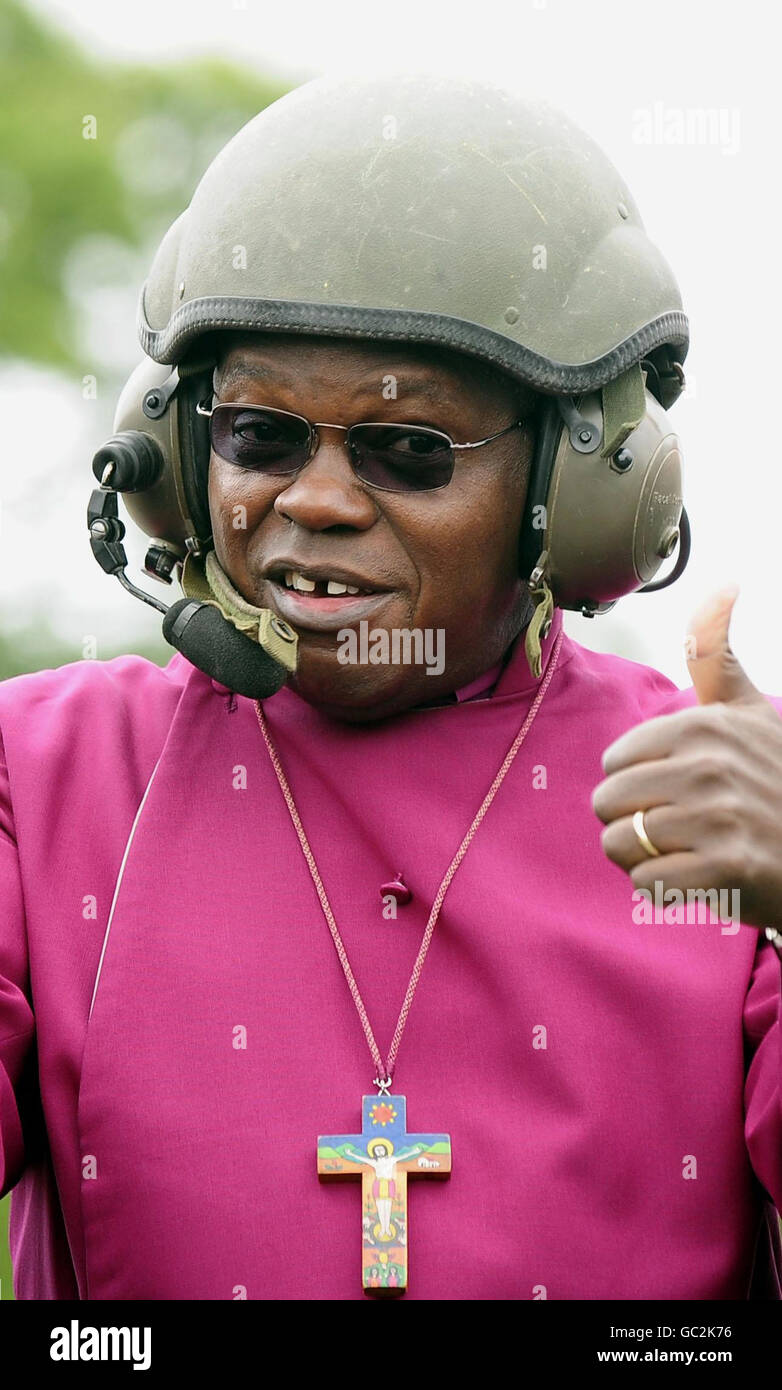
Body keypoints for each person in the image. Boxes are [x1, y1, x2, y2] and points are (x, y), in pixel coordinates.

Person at [1, 72, 781, 1302]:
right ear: (177, 447)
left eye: (406, 449)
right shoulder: (40, 776)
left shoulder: (722, 810)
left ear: (574, 496)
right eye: (258, 433)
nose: (311, 498)